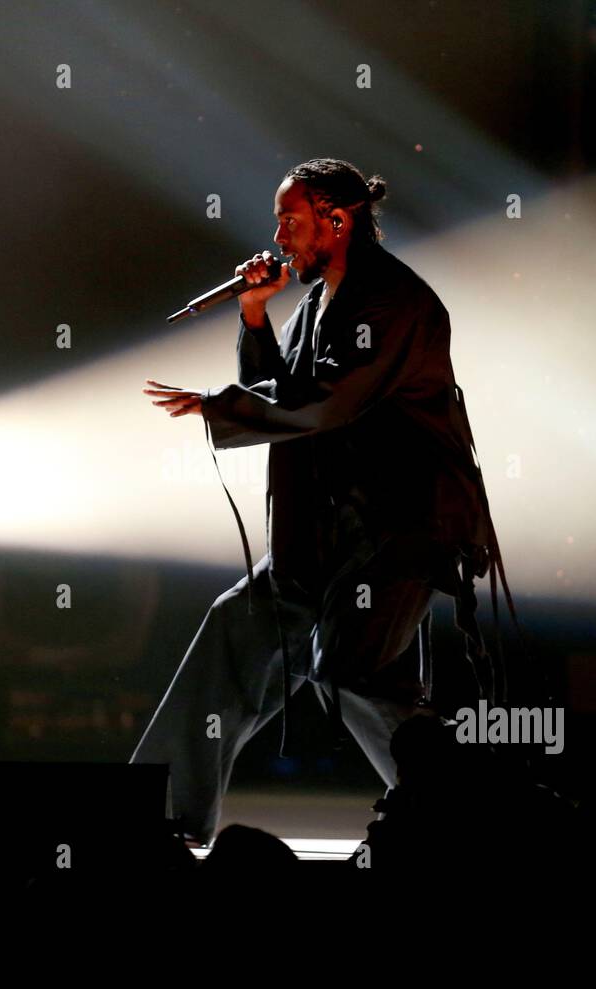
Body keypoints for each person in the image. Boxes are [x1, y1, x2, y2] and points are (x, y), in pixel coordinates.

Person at [132, 158, 509, 847]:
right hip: (325, 533)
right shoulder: (316, 302)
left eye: (290, 220)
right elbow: (280, 389)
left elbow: (327, 405)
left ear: (338, 220)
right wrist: (253, 314)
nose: (279, 237)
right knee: (235, 632)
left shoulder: (393, 301)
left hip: (401, 528)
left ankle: (461, 823)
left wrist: (222, 406)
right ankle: (158, 822)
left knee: (351, 667)